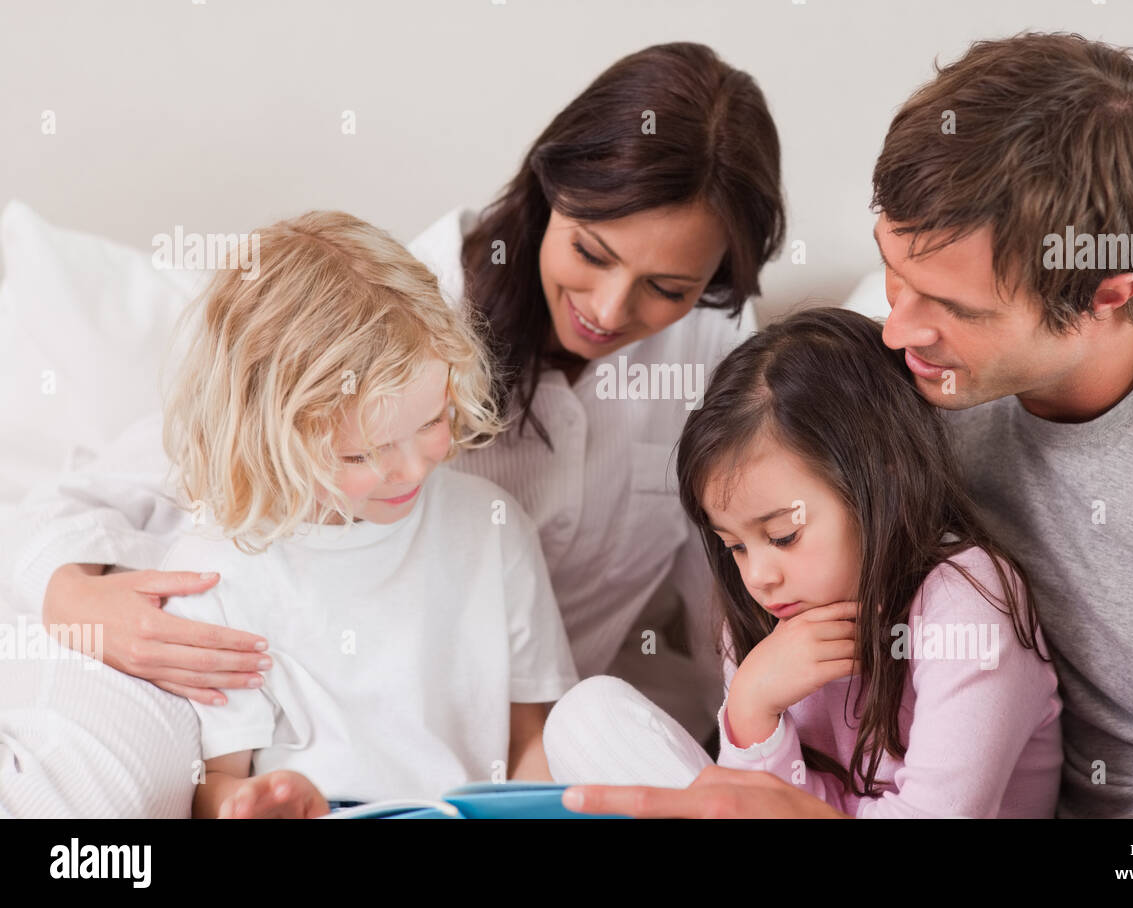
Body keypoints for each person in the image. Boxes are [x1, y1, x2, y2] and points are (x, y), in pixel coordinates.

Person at [6, 42, 785, 818]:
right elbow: (178, 464)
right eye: (591, 252)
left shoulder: (713, 356)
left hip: (509, 746)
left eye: (667, 288)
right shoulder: (402, 327)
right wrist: (72, 594)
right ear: (550, 194)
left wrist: (766, 722)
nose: (612, 311)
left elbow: (728, 583)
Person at [561, 31, 1133, 819]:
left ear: (1108, 295)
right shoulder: (891, 395)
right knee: (596, 727)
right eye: (896, 273)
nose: (897, 330)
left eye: (953, 308)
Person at [543, 308, 1062, 816]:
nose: (758, 576)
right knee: (584, 716)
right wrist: (751, 712)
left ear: (882, 483)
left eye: (783, 535)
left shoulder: (964, 600)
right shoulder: (762, 626)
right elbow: (759, 807)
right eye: (735, 546)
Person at [156, 211, 578, 816]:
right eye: (361, 453)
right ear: (266, 436)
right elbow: (216, 781)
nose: (410, 470)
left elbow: (528, 738)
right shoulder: (215, 571)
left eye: (432, 421)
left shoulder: (491, 524)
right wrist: (246, 808)